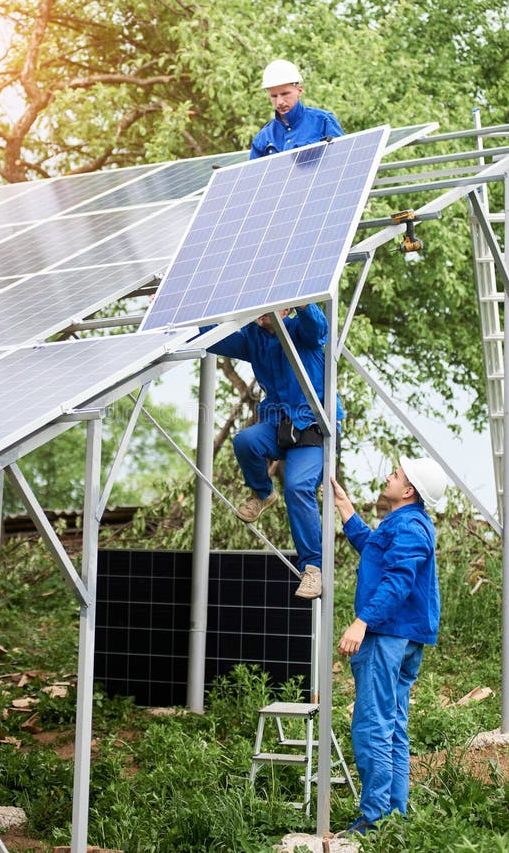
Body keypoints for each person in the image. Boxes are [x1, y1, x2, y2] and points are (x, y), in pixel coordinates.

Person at [330, 456, 447, 836]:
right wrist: (346, 511)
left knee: (372, 725)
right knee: (392, 725)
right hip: (403, 634)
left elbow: (398, 580)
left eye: (395, 474)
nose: (389, 475)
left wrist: (362, 622)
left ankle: (374, 818)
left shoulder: (411, 527)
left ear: (409, 490)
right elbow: (375, 550)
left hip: (389, 635)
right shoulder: (402, 523)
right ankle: (393, 816)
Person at [207, 304, 344, 600]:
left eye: (271, 307)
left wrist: (302, 300)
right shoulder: (254, 337)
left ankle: (313, 569)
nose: (262, 313)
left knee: (297, 486)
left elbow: (319, 328)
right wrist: (179, 314)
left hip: (315, 425)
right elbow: (212, 338)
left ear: (285, 312)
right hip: (280, 424)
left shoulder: (300, 331)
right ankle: (262, 493)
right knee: (245, 441)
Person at [250, 59, 344, 160]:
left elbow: (343, 160)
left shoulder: (323, 121)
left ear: (299, 90)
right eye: (274, 96)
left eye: (285, 94)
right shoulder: (263, 139)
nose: (279, 102)